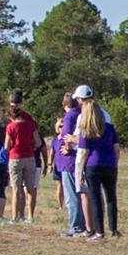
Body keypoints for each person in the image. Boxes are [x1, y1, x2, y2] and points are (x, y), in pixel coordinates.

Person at [74, 95, 119, 239]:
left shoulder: (86, 130)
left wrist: (80, 172)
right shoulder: (110, 128)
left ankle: (99, 232)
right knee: (111, 197)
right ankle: (113, 229)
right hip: (109, 164)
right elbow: (116, 148)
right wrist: (114, 163)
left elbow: (84, 152)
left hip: (92, 165)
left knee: (95, 199)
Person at [4, 92, 40, 224]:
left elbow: (6, 146)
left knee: (16, 189)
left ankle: (15, 217)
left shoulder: (10, 126)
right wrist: (30, 145)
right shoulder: (29, 123)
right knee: (30, 188)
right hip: (29, 156)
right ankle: (30, 216)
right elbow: (38, 142)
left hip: (15, 157)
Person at [55, 91, 82, 236]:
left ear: (63, 104)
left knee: (71, 196)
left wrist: (67, 147)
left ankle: (75, 227)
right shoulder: (81, 113)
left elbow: (66, 134)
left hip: (69, 161)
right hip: (80, 158)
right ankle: (84, 225)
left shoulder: (70, 116)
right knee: (81, 194)